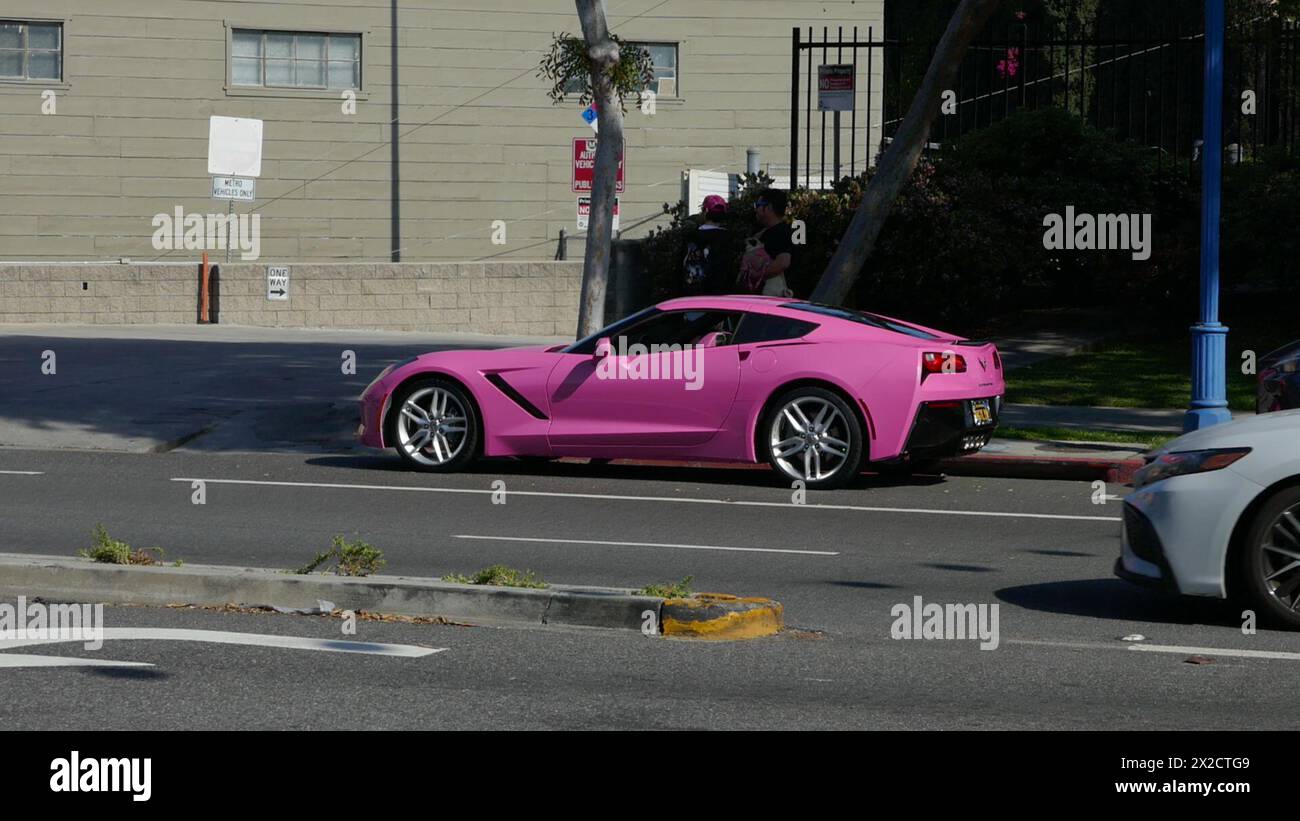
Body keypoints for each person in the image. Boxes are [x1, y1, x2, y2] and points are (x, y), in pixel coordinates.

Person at [737, 188, 795, 297]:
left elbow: (783, 262)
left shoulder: (781, 233)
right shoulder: (766, 232)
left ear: (768, 207)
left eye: (758, 205)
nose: (756, 209)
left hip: (774, 300)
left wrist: (756, 275)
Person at [682, 194, 730, 295]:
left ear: (705, 211)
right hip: (720, 294)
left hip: (692, 293)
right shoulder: (727, 237)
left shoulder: (691, 236)